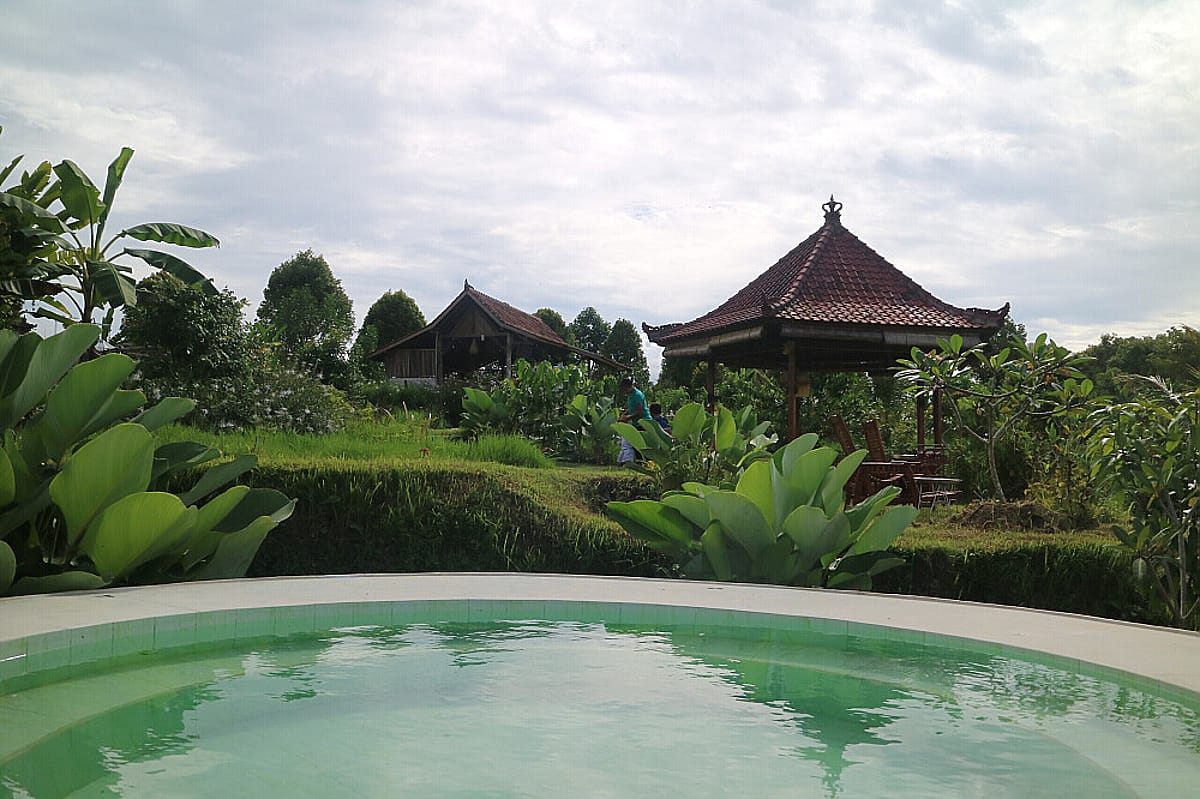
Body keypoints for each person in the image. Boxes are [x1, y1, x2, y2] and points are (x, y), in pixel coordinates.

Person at [617, 376, 651, 465]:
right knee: (635, 444)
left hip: (644, 422)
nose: (624, 391)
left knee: (642, 445)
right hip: (636, 423)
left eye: (625, 388)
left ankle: (644, 463)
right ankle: (639, 463)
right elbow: (631, 408)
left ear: (629, 386)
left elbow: (639, 412)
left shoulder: (637, 395)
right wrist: (623, 415)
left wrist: (627, 418)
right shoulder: (630, 395)